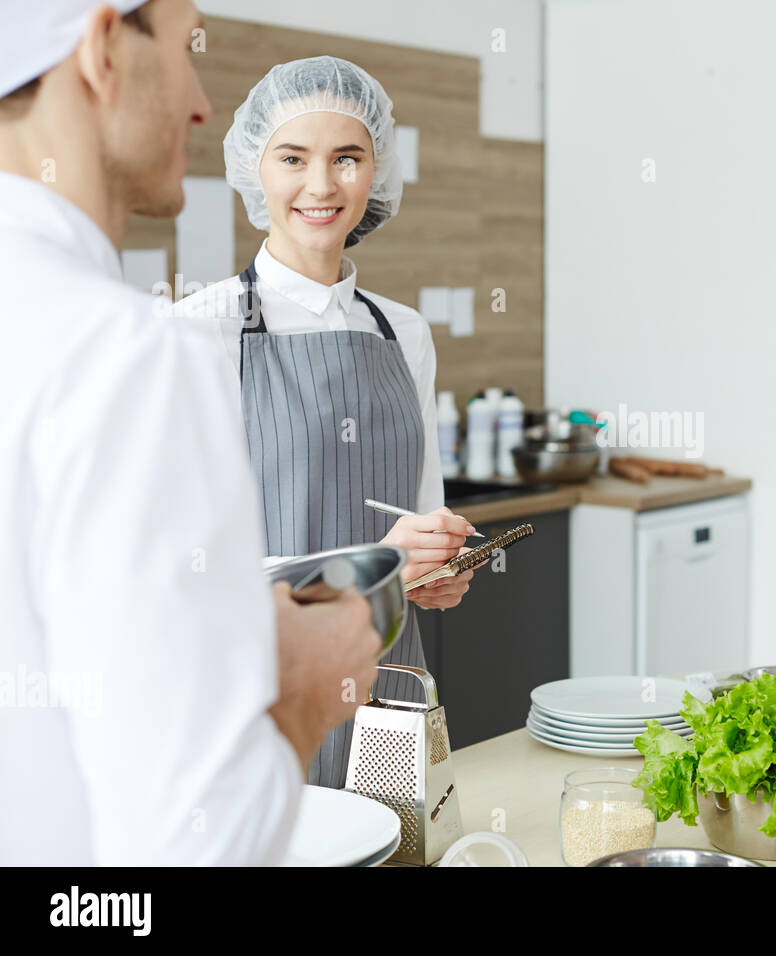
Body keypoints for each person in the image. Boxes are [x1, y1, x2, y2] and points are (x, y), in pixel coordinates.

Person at [0, 0, 382, 864]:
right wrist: (301, 695)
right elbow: (190, 849)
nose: (203, 103)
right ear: (103, 48)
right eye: (185, 47)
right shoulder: (126, 353)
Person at [175, 56, 476, 789]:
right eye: (293, 158)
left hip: (390, 682)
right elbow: (183, 575)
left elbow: (417, 521)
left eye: (347, 157)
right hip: (263, 690)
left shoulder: (404, 333)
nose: (321, 185)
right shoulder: (197, 333)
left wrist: (435, 567)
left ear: (377, 170)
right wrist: (375, 568)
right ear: (256, 169)